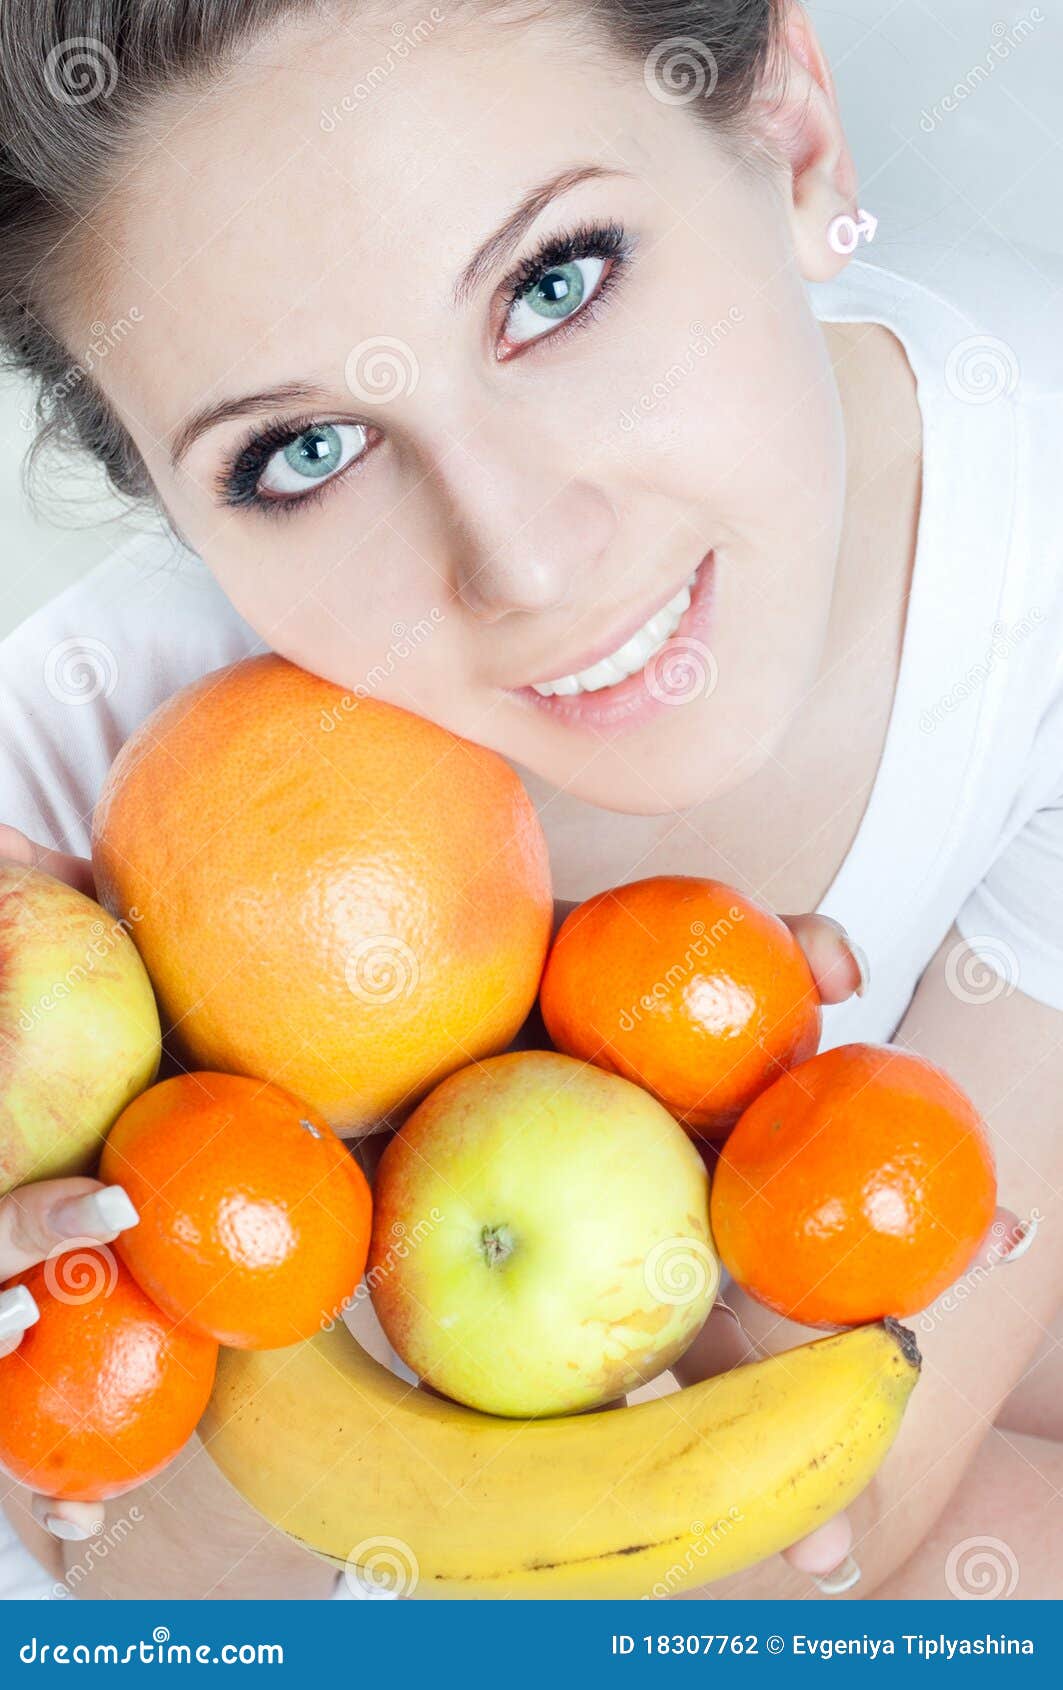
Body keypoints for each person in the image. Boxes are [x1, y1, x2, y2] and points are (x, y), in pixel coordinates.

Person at [0, 0, 1059, 1601]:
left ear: (785, 129)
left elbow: (818, 1536)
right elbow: (168, 1605)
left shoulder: (1034, 538)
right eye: (305, 450)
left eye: (556, 285)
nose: (528, 563)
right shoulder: (57, 849)